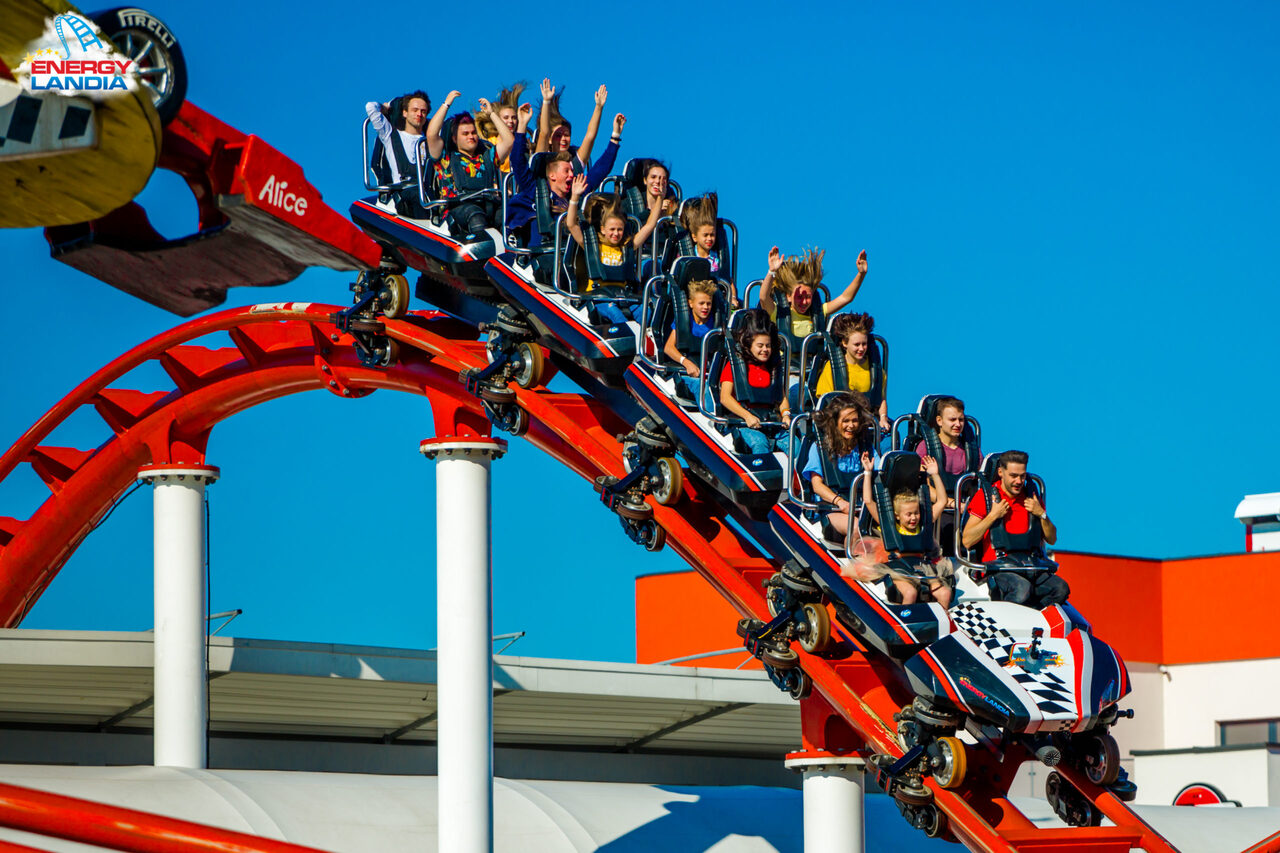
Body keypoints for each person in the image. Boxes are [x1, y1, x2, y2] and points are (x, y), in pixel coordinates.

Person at [760, 246, 868, 410]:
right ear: (788, 296)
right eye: (799, 297)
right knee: (798, 394)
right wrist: (771, 272)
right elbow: (763, 297)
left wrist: (861, 274)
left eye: (808, 297)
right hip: (787, 375)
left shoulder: (818, 312)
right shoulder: (778, 312)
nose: (804, 302)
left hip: (812, 374)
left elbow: (846, 297)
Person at [961, 450, 1068, 608]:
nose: (1018, 481)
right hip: (999, 567)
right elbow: (967, 541)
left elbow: (1052, 539)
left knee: (1060, 589)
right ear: (1000, 472)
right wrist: (992, 516)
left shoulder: (1032, 498)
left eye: (1022, 476)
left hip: (1029, 565)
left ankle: (1034, 620)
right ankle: (1007, 623)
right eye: (1013, 476)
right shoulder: (985, 498)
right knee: (1022, 589)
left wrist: (1041, 514)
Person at [506, 108, 624, 248]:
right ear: (552, 175)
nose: (571, 175)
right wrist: (522, 126)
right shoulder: (535, 190)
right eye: (566, 171)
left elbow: (600, 170)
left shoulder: (575, 192)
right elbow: (517, 161)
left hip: (568, 257)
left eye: (571, 171)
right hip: (541, 256)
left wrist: (615, 136)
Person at [565, 174, 664, 322]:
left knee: (647, 313)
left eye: (619, 229)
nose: (616, 233)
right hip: (599, 297)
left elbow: (649, 226)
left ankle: (643, 343)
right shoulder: (593, 245)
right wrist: (574, 197)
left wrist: (660, 199)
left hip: (624, 296)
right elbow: (571, 224)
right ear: (603, 229)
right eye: (612, 229)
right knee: (618, 317)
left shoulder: (627, 247)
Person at [862, 453, 952, 607]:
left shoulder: (923, 524)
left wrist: (935, 475)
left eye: (916, 513)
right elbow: (868, 501)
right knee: (910, 593)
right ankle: (905, 625)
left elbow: (942, 501)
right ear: (897, 516)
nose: (913, 518)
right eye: (908, 514)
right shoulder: (889, 525)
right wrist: (868, 473)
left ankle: (944, 621)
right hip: (898, 567)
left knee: (945, 593)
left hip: (922, 567)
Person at [423, 91, 514, 237]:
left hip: (487, 206)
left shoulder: (487, 156)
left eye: (473, 133)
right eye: (465, 134)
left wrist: (491, 114)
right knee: (475, 214)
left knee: (507, 214)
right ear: (454, 138)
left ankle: (512, 253)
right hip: (458, 210)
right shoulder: (445, 158)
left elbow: (509, 141)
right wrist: (446, 104)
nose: (471, 137)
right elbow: (431, 134)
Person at [802, 391, 875, 537]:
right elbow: (817, 486)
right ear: (835, 422)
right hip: (831, 509)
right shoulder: (819, 449)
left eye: (854, 421)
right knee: (857, 528)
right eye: (846, 421)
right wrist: (840, 502)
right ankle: (858, 558)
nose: (851, 425)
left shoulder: (865, 448)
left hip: (862, 507)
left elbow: (880, 473)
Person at [719, 309, 790, 455]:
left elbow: (781, 397)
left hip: (770, 422)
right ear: (750, 345)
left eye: (768, 346)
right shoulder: (735, 366)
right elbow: (725, 397)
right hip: (744, 422)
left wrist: (786, 414)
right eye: (760, 346)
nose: (765, 350)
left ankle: (799, 477)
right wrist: (746, 416)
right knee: (759, 443)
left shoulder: (772, 368)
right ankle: (764, 477)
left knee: (794, 444)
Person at [813, 312, 889, 431]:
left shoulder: (876, 370)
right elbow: (825, 401)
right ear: (845, 343)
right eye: (857, 345)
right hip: (844, 424)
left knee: (890, 438)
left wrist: (883, 418)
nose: (861, 349)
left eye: (864, 344)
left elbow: (881, 399)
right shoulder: (832, 369)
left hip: (869, 422)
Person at [365, 90, 429, 214]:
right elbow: (370, 107)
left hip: (428, 193)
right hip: (405, 192)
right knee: (416, 197)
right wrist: (387, 106)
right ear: (405, 112)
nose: (419, 114)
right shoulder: (390, 135)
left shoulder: (430, 140)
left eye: (423, 111)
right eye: (414, 110)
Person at [663, 278, 718, 401]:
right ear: (691, 303)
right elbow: (668, 348)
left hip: (709, 374)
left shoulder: (716, 323)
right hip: (686, 374)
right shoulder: (684, 321)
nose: (705, 307)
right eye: (701, 303)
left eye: (708, 303)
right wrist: (686, 362)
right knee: (702, 388)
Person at [535, 78, 606, 168]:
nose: (563, 139)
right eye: (558, 135)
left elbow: (590, 137)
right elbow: (544, 133)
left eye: (567, 135)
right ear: (550, 139)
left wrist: (599, 107)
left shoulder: (575, 164)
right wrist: (546, 101)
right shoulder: (542, 161)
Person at [680, 192, 736, 305]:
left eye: (712, 235)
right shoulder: (689, 256)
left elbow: (728, 281)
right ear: (694, 237)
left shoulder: (716, 258)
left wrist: (733, 297)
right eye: (705, 235)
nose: (709, 239)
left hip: (715, 299)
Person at [474, 82, 525, 173]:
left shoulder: (522, 144)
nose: (510, 121)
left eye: (514, 118)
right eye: (506, 118)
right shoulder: (489, 144)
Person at [914, 397, 968, 480]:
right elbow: (921, 481)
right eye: (952, 419)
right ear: (939, 421)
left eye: (961, 420)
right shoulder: (926, 447)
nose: (958, 424)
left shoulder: (970, 450)